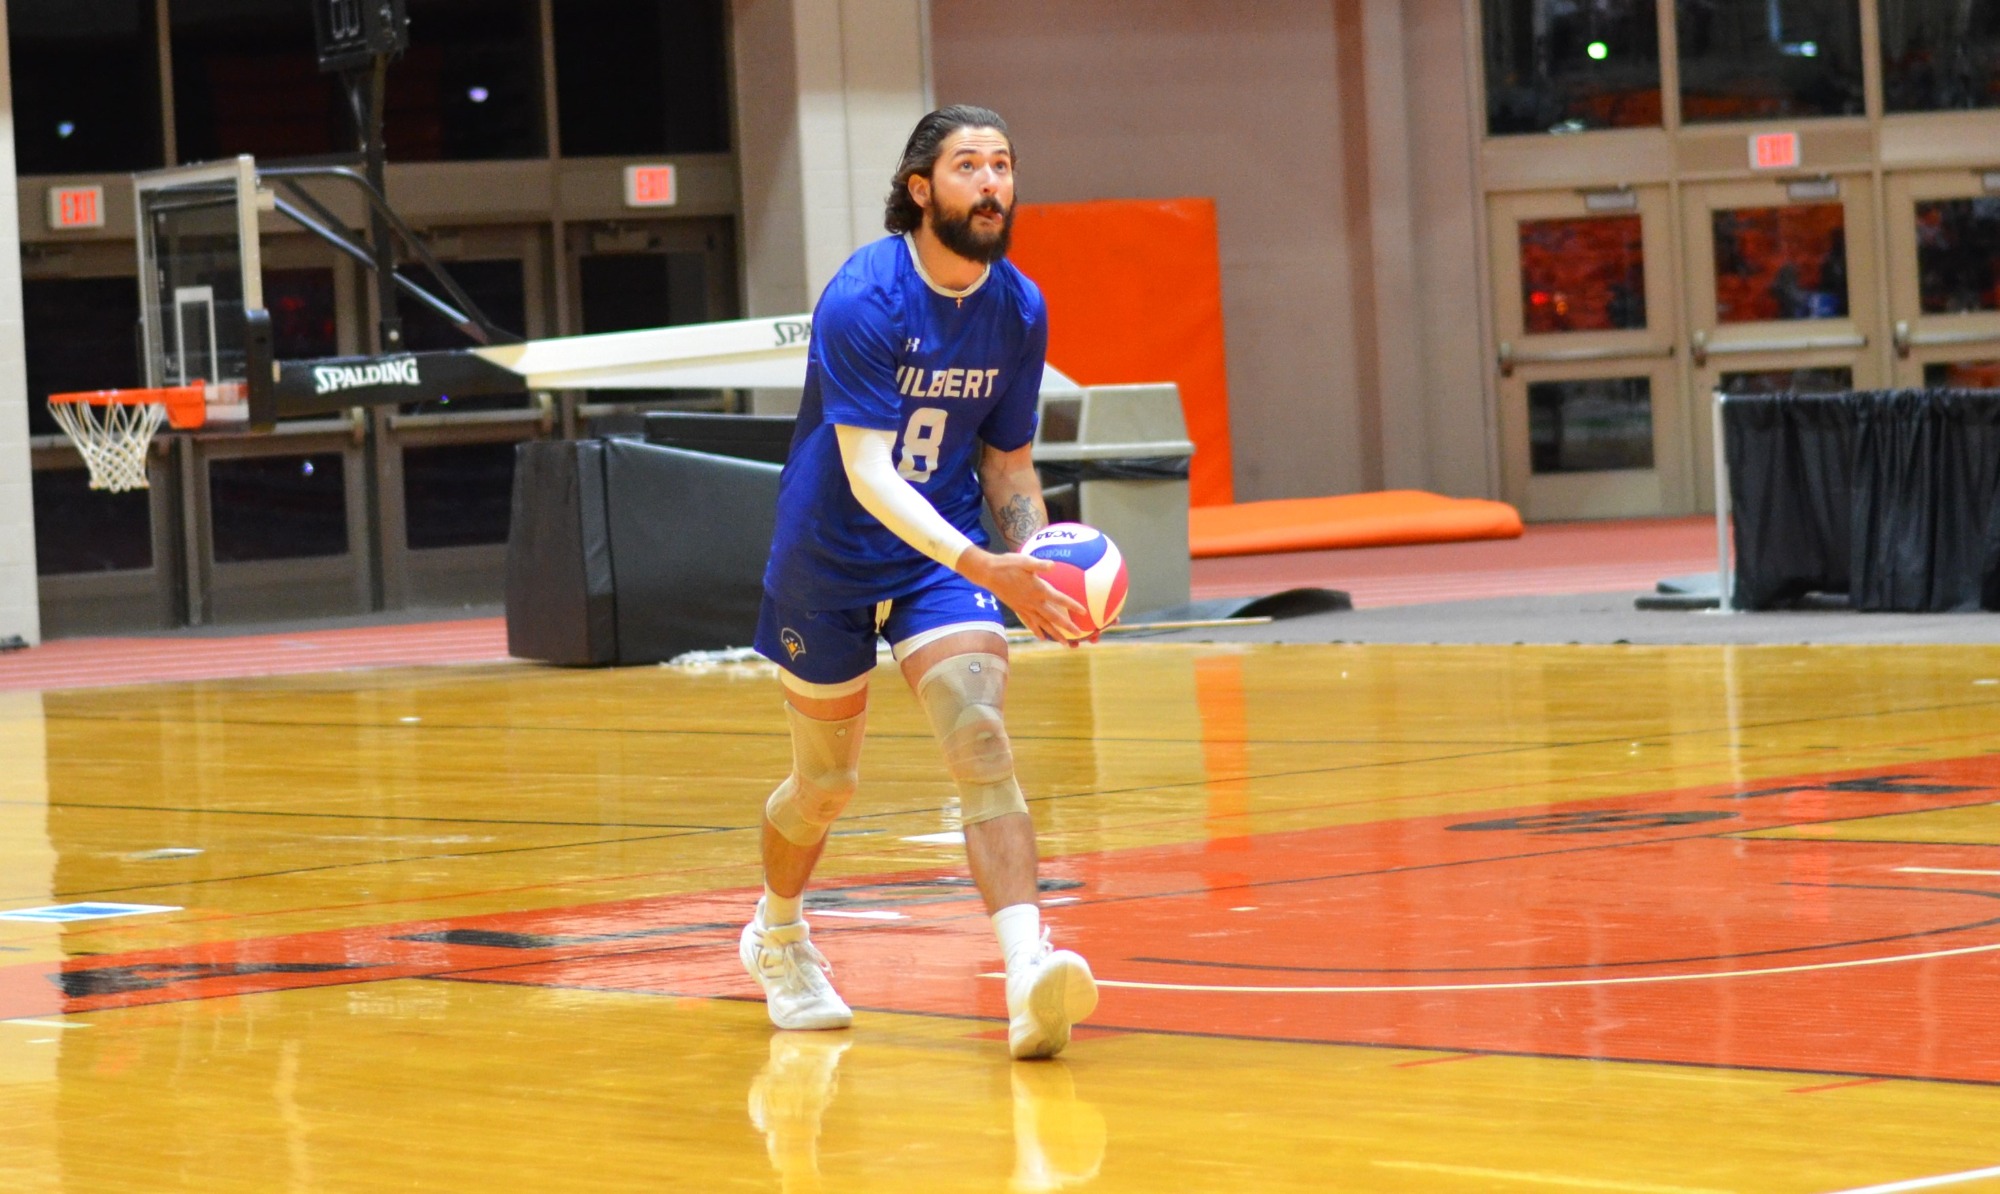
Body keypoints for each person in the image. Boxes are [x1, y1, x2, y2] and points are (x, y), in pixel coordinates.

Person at [743, 105, 1098, 1060]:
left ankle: (1029, 971)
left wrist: (1040, 564)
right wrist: (985, 561)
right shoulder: (865, 295)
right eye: (970, 166)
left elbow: (1010, 466)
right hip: (830, 556)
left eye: (1005, 164)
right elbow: (867, 474)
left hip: (940, 567)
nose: (992, 183)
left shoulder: (1018, 307)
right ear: (920, 189)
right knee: (826, 785)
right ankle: (776, 933)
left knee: (979, 734)